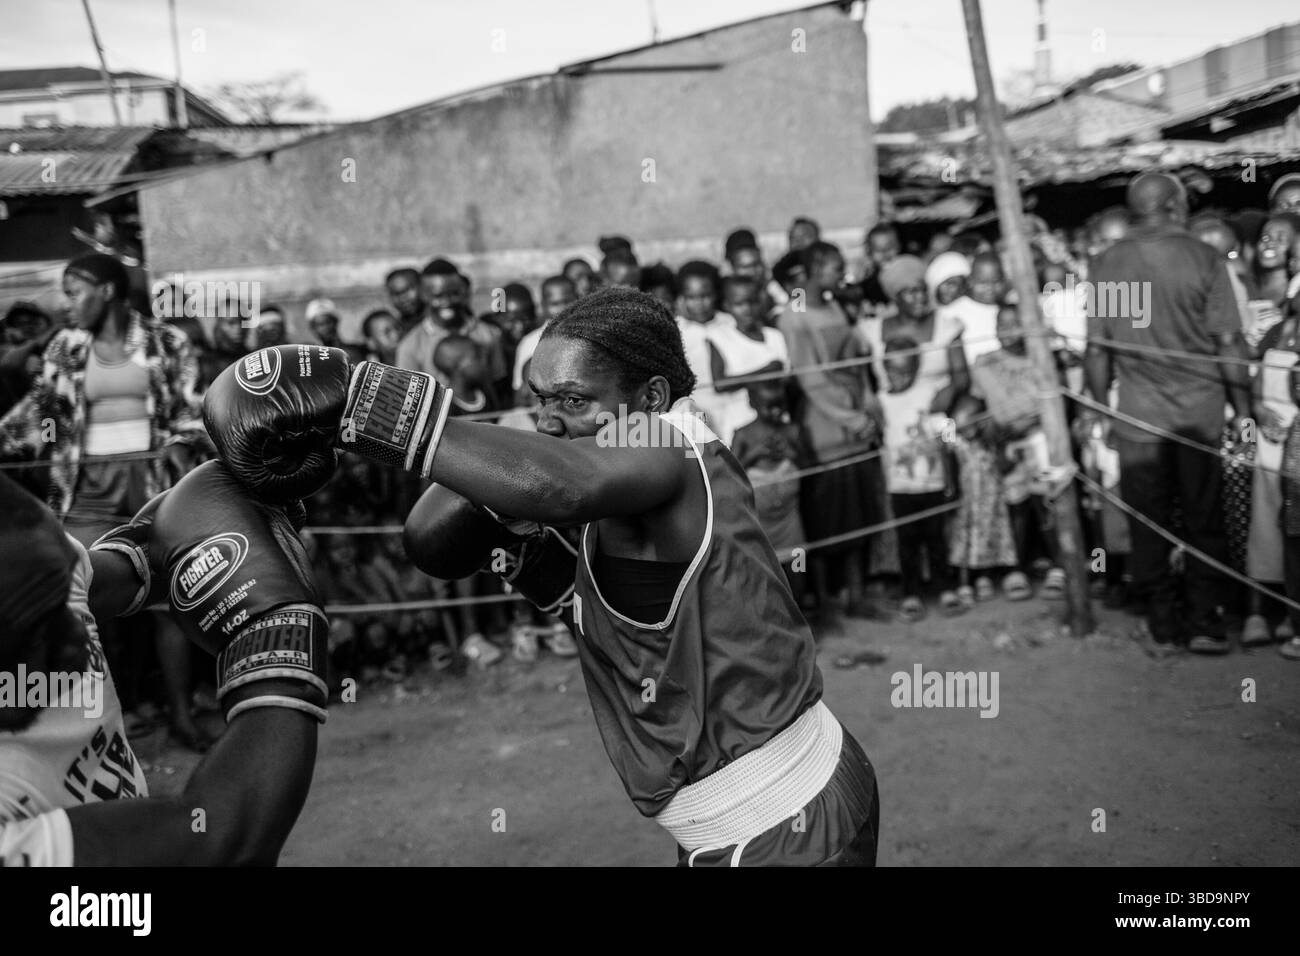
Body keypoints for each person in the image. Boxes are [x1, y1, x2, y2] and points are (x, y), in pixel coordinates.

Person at [202, 288, 881, 866]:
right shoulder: (614, 484)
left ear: (650, 396)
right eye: (537, 400)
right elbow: (440, 542)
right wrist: (536, 562)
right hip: (770, 807)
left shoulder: (666, 448)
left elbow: (560, 486)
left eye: (574, 401)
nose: (550, 421)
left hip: (779, 822)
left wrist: (357, 401)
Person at [0, 461, 324, 865]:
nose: (79, 637)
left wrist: (224, 515)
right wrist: (276, 637)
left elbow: (129, 571)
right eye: (37, 626)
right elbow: (219, 845)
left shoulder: (23, 550)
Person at [0, 254, 211, 751]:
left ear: (108, 290)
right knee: (89, 600)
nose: (66, 305)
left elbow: (190, 408)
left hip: (155, 484)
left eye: (75, 292)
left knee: (169, 600)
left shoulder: (166, 342)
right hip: (87, 487)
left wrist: (183, 440)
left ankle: (181, 715)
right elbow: (40, 412)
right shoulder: (66, 348)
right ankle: (108, 724)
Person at [1084, 171, 1252, 655]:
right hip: (1199, 414)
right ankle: (1204, 620)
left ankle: (1161, 623)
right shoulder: (1204, 258)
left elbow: (1097, 349)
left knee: (1147, 521)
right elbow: (1228, 342)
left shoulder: (1107, 263)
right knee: (1204, 518)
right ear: (1177, 206)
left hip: (1136, 416)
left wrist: (1097, 410)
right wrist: (1242, 410)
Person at [778, 241, 884, 623]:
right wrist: (850, 418)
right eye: (835, 267)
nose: (843, 274)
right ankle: (823, 603)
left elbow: (858, 362)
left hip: (856, 414)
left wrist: (868, 406)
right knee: (826, 511)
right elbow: (810, 378)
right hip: (826, 425)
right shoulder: (796, 316)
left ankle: (856, 595)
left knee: (858, 508)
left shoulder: (836, 304)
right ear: (812, 270)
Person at [877, 336, 961, 620]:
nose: (897, 377)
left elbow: (947, 430)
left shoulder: (929, 394)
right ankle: (911, 593)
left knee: (937, 538)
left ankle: (945, 587)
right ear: (883, 367)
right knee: (907, 541)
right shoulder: (882, 401)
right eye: (891, 370)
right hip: (900, 485)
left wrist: (949, 458)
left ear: (917, 367)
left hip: (933, 480)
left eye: (905, 371)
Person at [730, 378, 812, 605]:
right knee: (765, 571)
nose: (777, 411)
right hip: (760, 523)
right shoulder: (743, 435)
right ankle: (774, 619)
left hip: (791, 520)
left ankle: (801, 609)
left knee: (798, 564)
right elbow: (730, 473)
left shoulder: (793, 431)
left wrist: (792, 453)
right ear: (753, 403)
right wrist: (753, 455)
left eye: (780, 405)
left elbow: (809, 467)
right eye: (769, 406)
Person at [395, 258, 507, 397]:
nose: (447, 302)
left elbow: (499, 386)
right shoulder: (410, 347)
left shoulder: (488, 334)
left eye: (454, 294)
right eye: (438, 296)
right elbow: (407, 398)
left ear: (464, 292)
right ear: (424, 296)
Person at [704, 275, 789, 445]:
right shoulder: (719, 337)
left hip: (777, 421)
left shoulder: (774, 336)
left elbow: (786, 377)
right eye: (739, 304)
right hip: (740, 426)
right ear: (727, 306)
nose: (747, 309)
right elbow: (720, 384)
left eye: (752, 302)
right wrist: (766, 371)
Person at [674, 260, 734, 438]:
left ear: (716, 294)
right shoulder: (677, 330)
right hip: (697, 411)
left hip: (734, 407)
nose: (699, 303)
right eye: (692, 297)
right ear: (682, 298)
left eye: (705, 296)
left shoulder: (730, 322)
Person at [513, 275, 577, 407]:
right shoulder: (529, 344)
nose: (562, 309)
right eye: (555, 303)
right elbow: (520, 396)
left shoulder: (589, 337)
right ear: (543, 305)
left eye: (567, 301)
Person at [198, 311, 249, 393]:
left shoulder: (254, 358)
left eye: (242, 322)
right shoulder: (205, 364)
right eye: (231, 323)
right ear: (219, 325)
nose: (239, 328)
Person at [305, 297, 366, 364]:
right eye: (320, 324)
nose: (326, 328)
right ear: (313, 328)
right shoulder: (310, 355)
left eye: (328, 322)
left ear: (336, 322)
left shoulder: (353, 352)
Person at [385, 267, 425, 336]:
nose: (403, 298)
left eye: (407, 290)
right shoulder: (397, 331)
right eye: (396, 294)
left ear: (422, 286)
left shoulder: (440, 321)